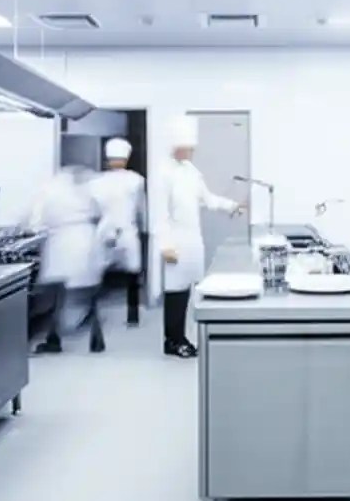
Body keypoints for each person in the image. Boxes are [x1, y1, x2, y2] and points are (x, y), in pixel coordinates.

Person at [150, 115, 244, 359]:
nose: (191, 152)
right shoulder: (163, 172)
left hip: (193, 240)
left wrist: (233, 205)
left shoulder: (190, 171)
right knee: (175, 291)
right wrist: (165, 245)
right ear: (176, 145)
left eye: (192, 148)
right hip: (175, 242)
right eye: (187, 148)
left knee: (189, 290)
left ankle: (182, 336)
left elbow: (208, 199)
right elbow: (159, 214)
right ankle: (172, 341)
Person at [30, 166, 106, 354]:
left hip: (61, 245)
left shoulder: (48, 191)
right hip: (86, 242)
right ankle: (96, 338)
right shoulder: (85, 190)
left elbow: (36, 223)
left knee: (56, 295)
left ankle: (54, 339)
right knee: (90, 293)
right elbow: (99, 214)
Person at [91, 137, 146, 326]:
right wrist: (144, 228)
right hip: (127, 228)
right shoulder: (136, 180)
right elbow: (141, 208)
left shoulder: (96, 182)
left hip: (106, 227)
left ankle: (94, 313)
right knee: (132, 272)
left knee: (98, 273)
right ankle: (133, 315)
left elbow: (94, 210)